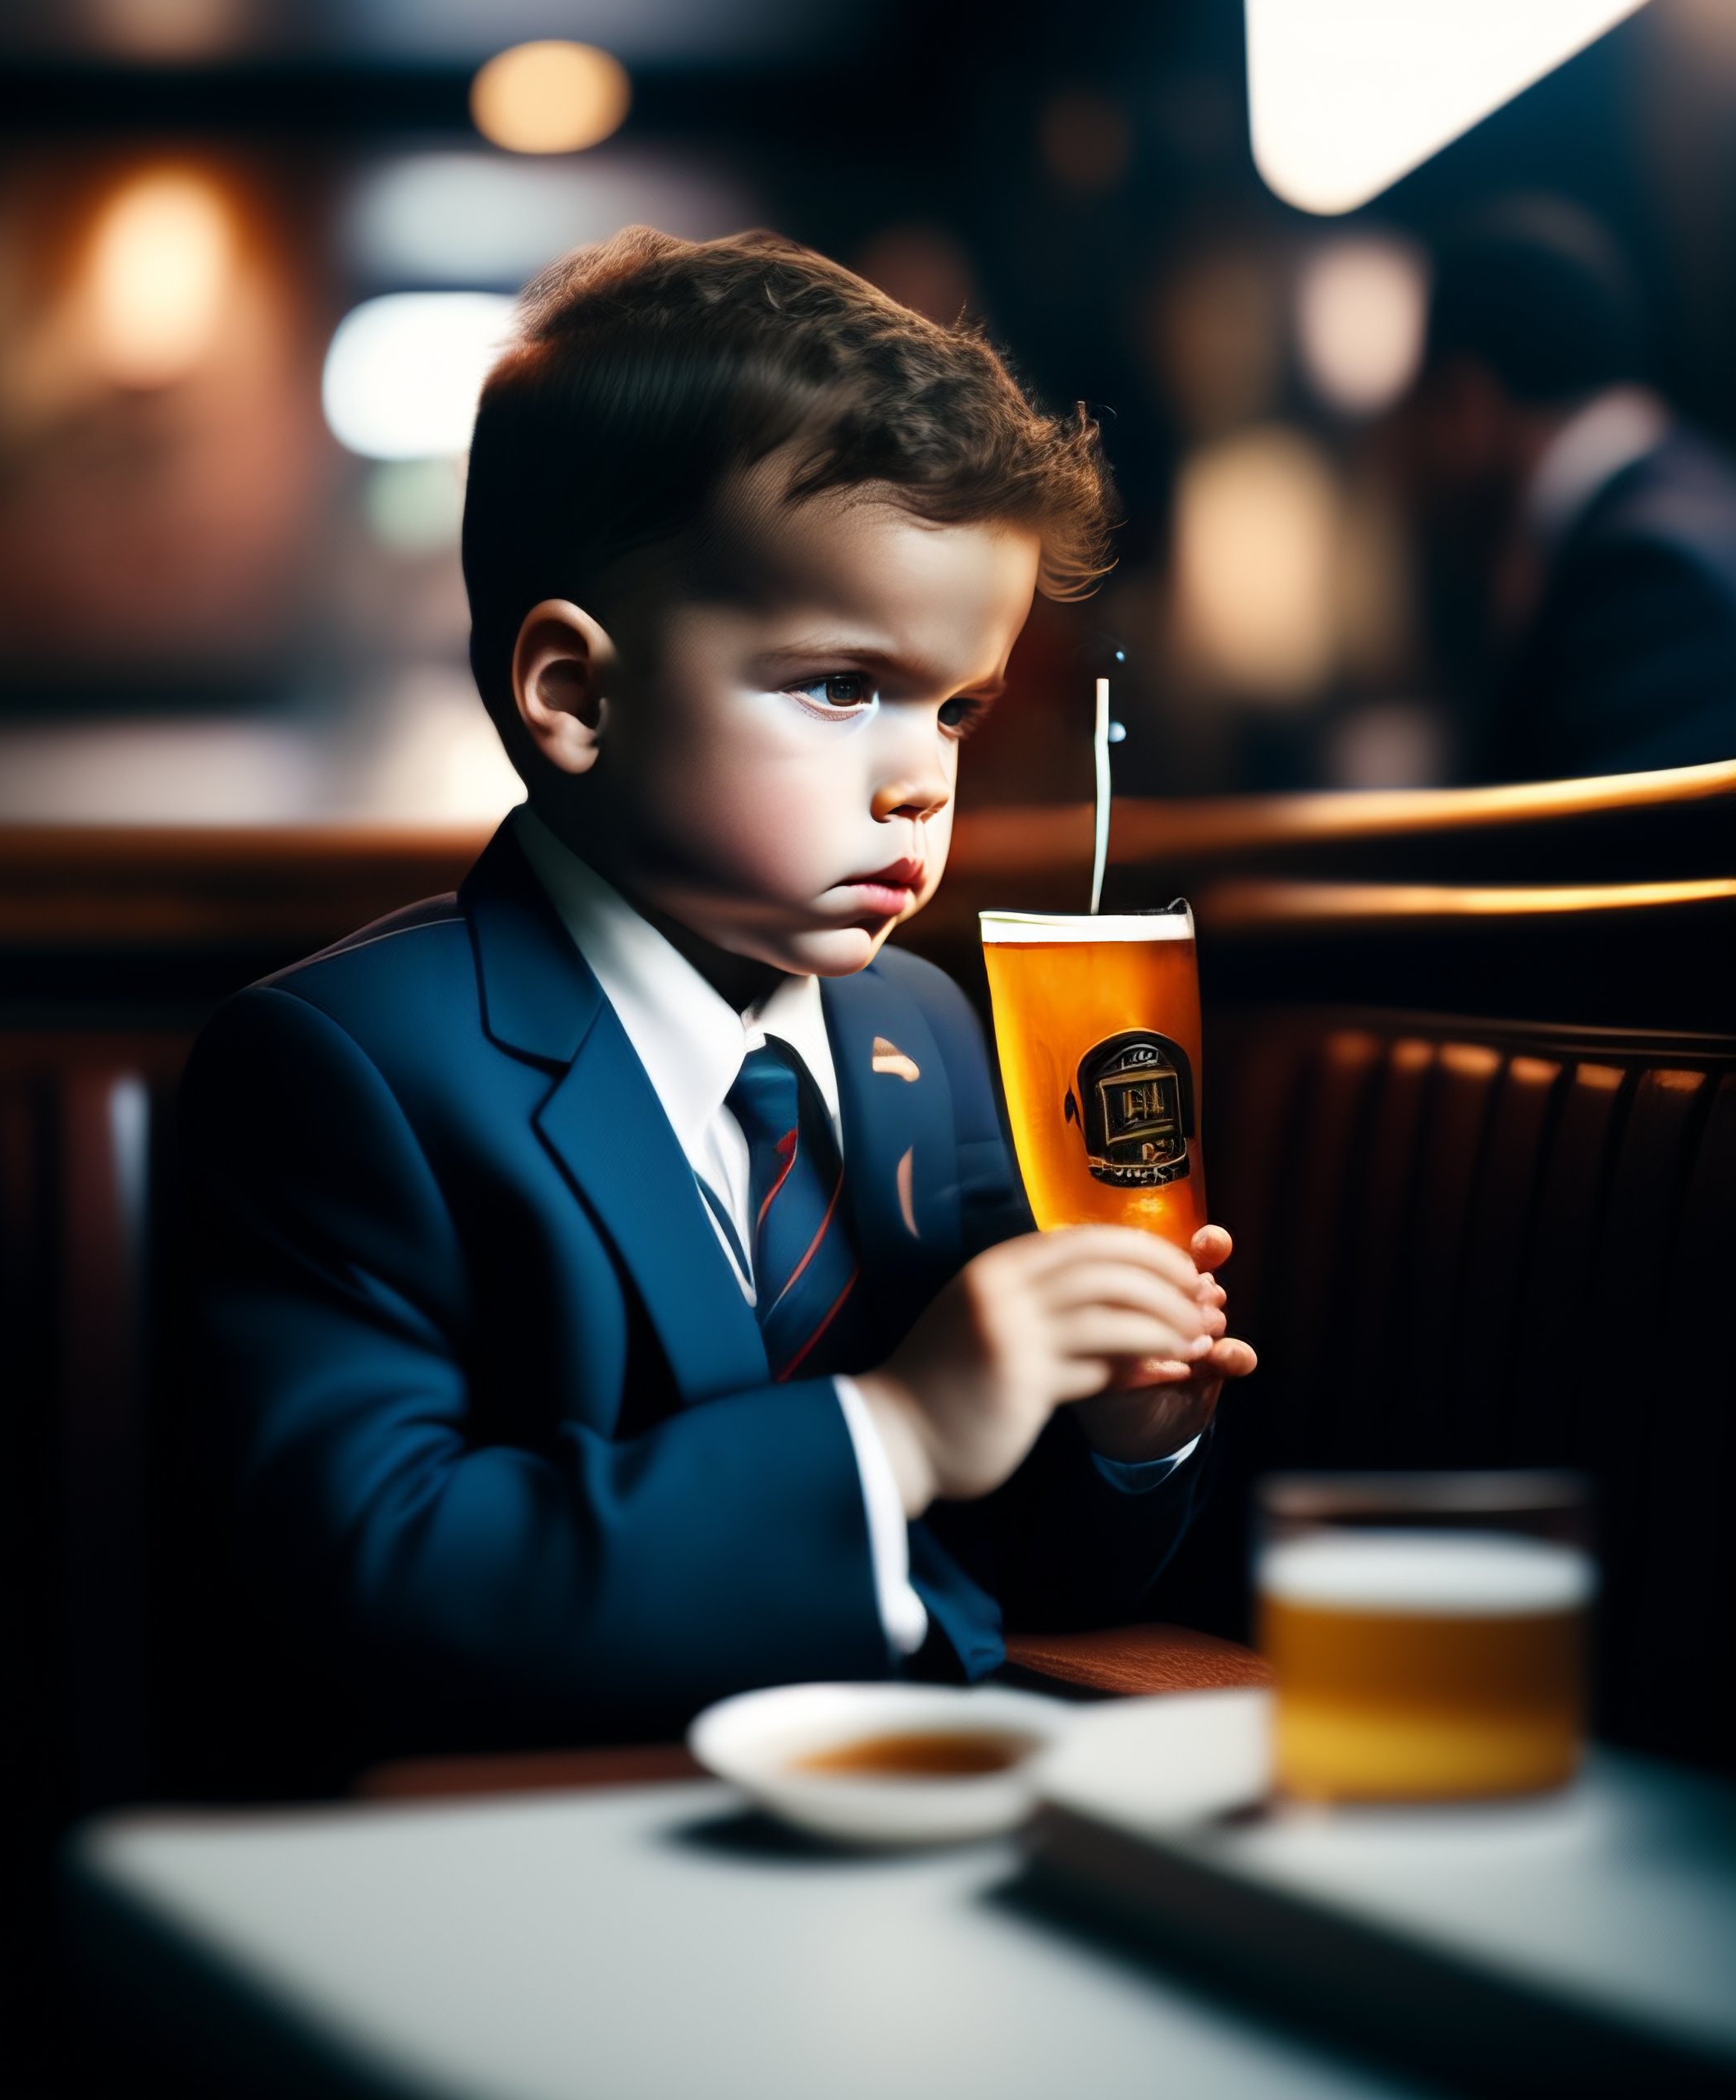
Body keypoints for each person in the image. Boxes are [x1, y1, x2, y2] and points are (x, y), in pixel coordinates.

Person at [179, 229, 1254, 1776]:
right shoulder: (348, 1069)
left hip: (917, 1806)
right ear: (576, 694)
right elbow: (378, 1578)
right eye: (841, 686)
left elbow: (1001, 1577)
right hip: (553, 1833)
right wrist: (896, 1433)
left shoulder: (928, 1032)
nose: (921, 781)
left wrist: (1121, 1433)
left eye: (957, 706)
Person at [1397, 196, 1736, 783]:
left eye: (1417, 418)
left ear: (1465, 405)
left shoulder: (1645, 576)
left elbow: (1633, 837)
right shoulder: (1694, 496)